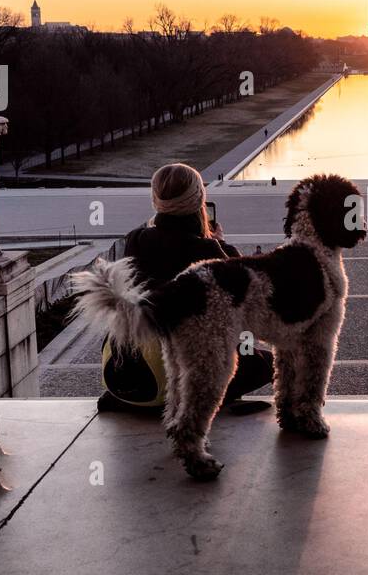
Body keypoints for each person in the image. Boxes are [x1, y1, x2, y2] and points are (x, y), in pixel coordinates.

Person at [97, 162, 274, 415]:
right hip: (180, 376)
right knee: (267, 363)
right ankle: (215, 402)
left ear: (156, 199)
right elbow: (245, 293)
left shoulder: (135, 239)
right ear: (199, 199)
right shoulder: (208, 250)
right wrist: (221, 245)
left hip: (132, 373)